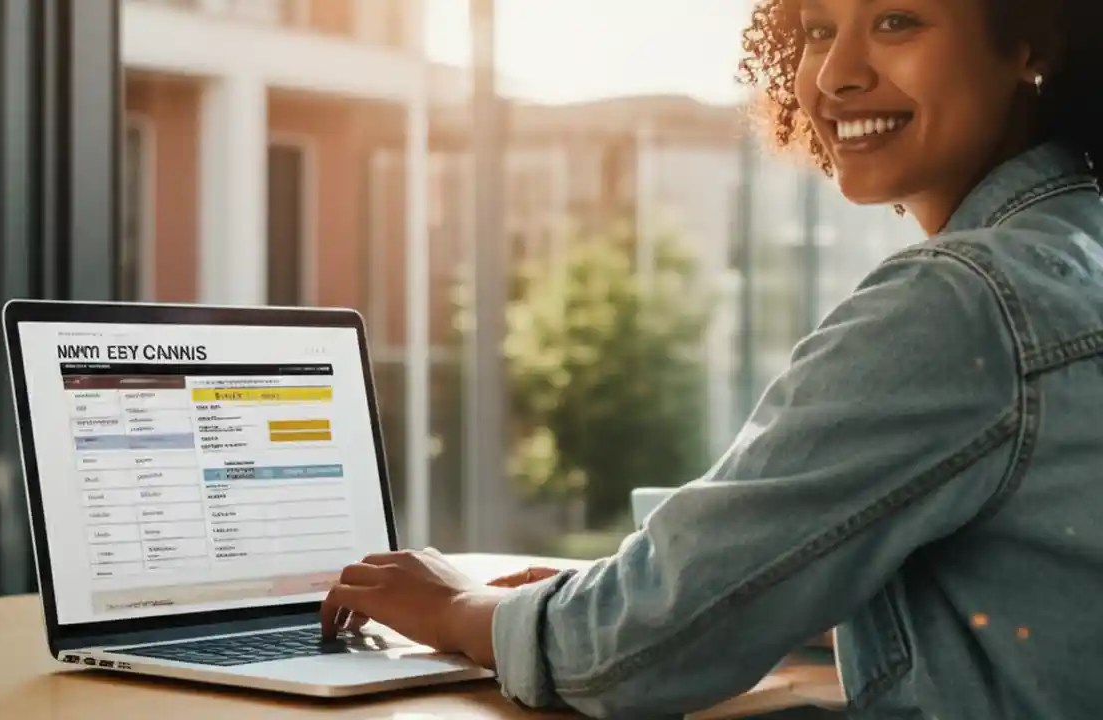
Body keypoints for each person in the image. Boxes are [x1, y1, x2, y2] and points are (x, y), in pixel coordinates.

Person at [321, 0, 1103, 716]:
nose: (835, 74)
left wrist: (462, 611)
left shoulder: (962, 302)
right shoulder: (1074, 247)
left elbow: (634, 655)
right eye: (820, 30)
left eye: (897, 21)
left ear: (1028, 40)